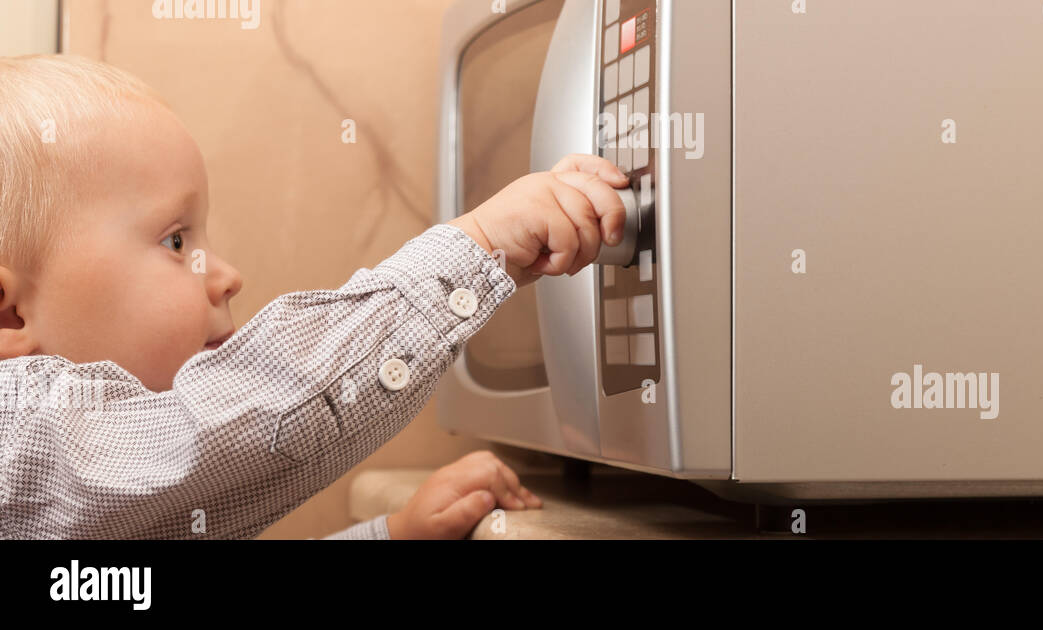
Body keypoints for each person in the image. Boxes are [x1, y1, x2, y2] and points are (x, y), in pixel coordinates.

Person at [0, 53, 628, 539]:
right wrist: (476, 247)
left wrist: (393, 533)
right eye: (173, 240)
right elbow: (239, 421)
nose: (226, 275)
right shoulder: (19, 440)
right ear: (9, 313)